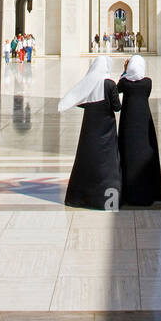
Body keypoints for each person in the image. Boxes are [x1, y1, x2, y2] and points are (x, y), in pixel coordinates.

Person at [58, 56, 121, 210]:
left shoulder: (89, 83)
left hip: (90, 128)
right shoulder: (109, 84)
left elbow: (79, 100)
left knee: (86, 159)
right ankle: (107, 201)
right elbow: (117, 107)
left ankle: (78, 198)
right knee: (107, 162)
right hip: (106, 129)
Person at [117, 55, 161, 206]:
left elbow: (118, 88)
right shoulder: (147, 82)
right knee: (144, 150)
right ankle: (146, 191)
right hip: (144, 122)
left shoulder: (125, 83)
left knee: (128, 151)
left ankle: (129, 192)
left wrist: (125, 72)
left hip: (128, 123)